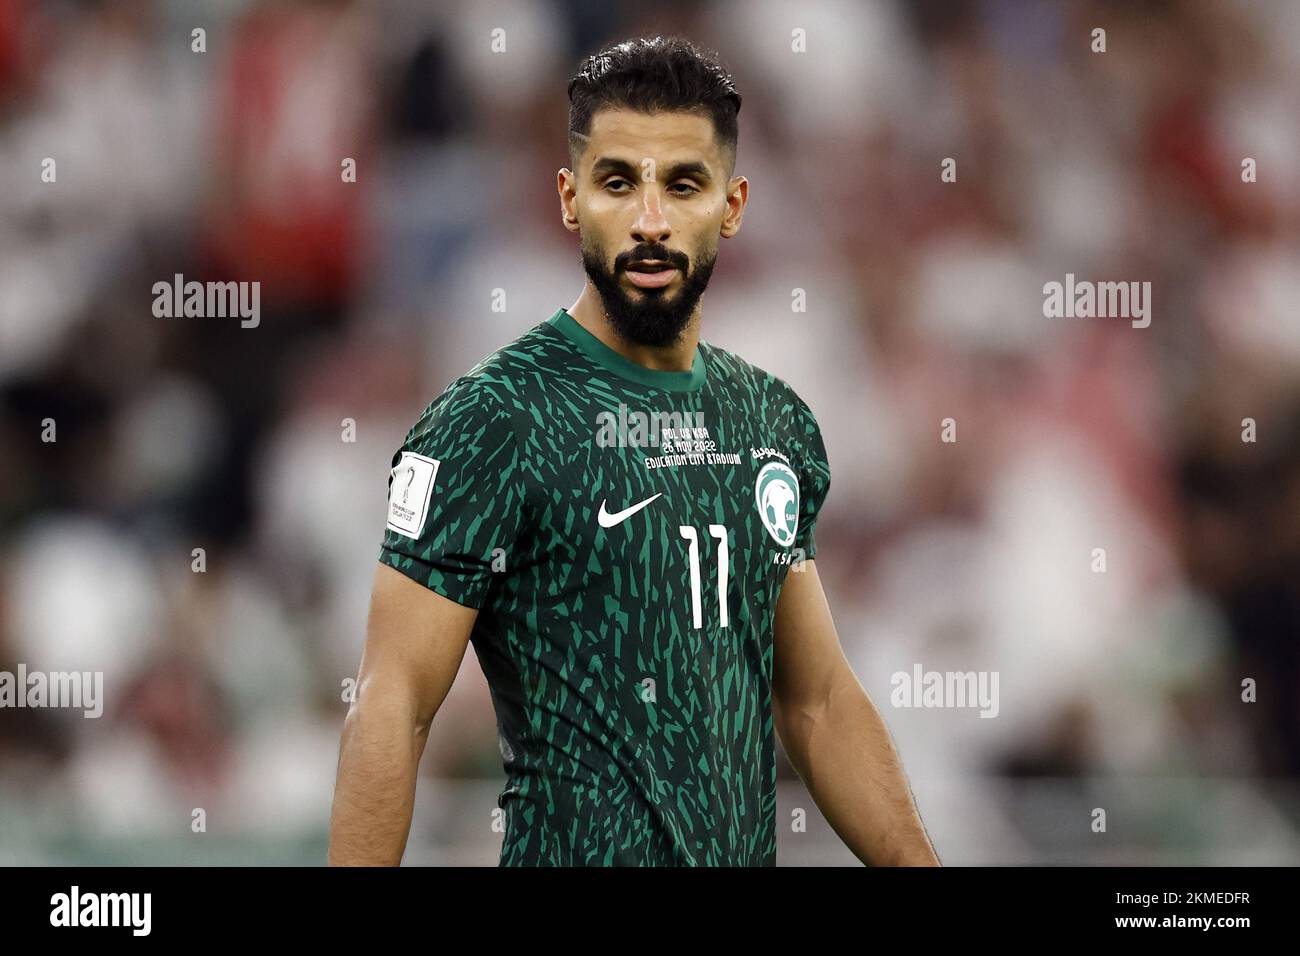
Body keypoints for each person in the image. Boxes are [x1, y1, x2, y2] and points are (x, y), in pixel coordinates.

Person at [328, 35, 939, 867]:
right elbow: (393, 704)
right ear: (570, 198)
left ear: (732, 203)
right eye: (618, 182)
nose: (650, 220)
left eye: (683, 183)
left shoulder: (771, 422)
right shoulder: (493, 420)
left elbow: (820, 703)